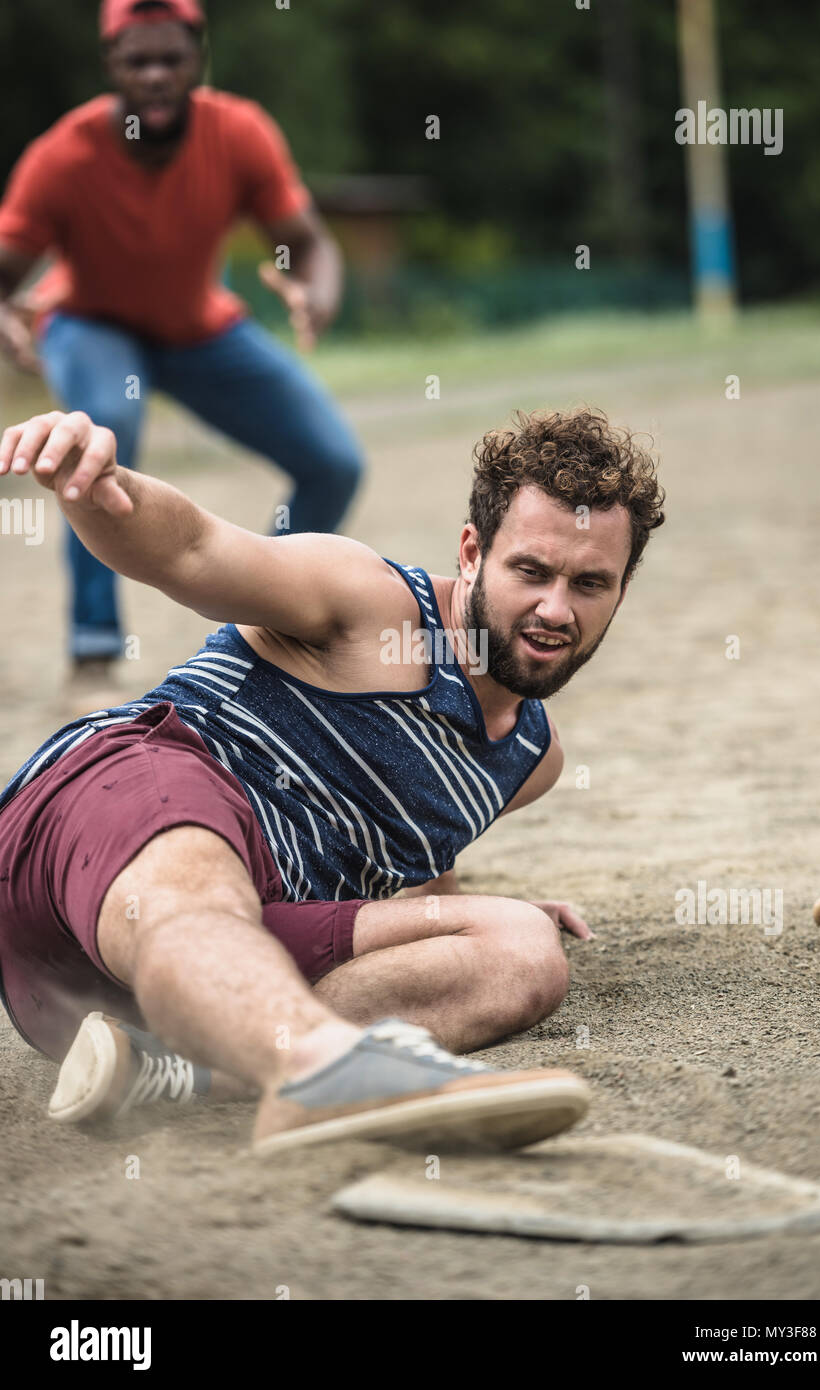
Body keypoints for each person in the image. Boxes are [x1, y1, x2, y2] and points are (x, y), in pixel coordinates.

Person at [0, 404, 664, 1154]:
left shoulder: (531, 764)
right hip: (111, 823)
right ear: (473, 552)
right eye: (531, 571)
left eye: (589, 583)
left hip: (102, 999)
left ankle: (176, 1071)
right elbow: (190, 550)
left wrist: (451, 919)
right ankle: (314, 1070)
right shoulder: (367, 601)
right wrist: (101, 483)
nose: (554, 609)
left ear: (621, 590)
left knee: (520, 947)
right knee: (197, 879)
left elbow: (412, 840)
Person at [0, 0, 363, 706]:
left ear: (199, 58)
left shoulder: (240, 132)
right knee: (101, 425)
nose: (157, 76)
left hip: (201, 330)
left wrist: (314, 292)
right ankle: (96, 648)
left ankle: (265, 623)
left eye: (172, 59)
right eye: (139, 61)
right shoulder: (65, 155)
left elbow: (310, 242)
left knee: (334, 463)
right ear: (112, 67)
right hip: (92, 324)